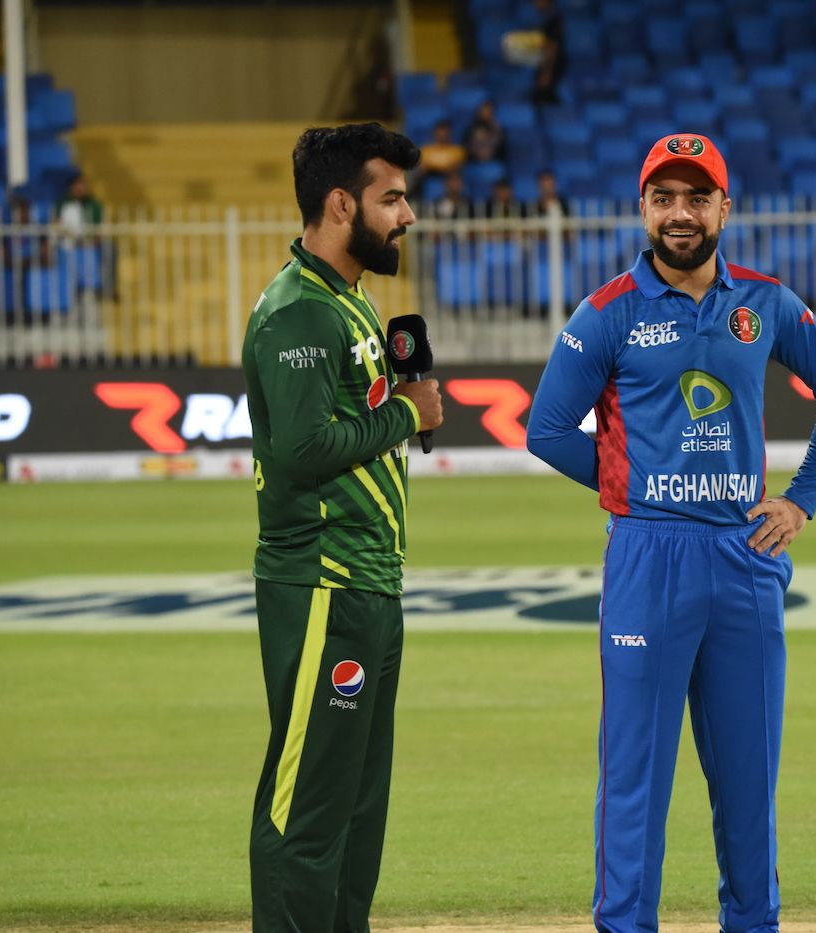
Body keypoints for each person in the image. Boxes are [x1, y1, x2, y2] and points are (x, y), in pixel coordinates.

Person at [526, 133, 816, 933]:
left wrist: (801, 501)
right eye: (665, 197)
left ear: (724, 208)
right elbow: (545, 429)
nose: (681, 213)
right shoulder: (606, 312)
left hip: (746, 556)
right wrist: (631, 489)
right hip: (649, 557)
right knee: (635, 775)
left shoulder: (767, 303)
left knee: (748, 777)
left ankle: (754, 922)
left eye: (697, 196)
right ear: (643, 208)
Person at [242, 122, 443, 933]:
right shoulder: (297, 315)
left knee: (359, 807)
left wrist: (396, 397)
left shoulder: (350, 301)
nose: (408, 216)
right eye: (391, 198)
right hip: (322, 584)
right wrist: (405, 410)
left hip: (368, 585)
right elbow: (300, 454)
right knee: (308, 805)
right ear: (339, 203)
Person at [532, 0, 566, 105]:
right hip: (547, 64)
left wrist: (547, 72)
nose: (536, 3)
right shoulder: (548, 17)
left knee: (544, 96)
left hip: (552, 65)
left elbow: (552, 48)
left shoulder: (553, 18)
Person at [416, 120, 466, 185]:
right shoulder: (425, 150)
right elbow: (422, 170)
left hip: (450, 183)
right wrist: (444, 167)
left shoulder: (458, 151)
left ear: (450, 133)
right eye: (441, 131)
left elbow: (455, 170)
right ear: (435, 132)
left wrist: (433, 167)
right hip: (429, 182)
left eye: (446, 131)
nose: (443, 134)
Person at [462, 98, 507, 164]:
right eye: (485, 110)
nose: (487, 113)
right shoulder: (471, 130)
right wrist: (477, 153)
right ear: (479, 112)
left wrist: (490, 153)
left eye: (490, 111)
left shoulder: (499, 131)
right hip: (474, 162)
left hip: (493, 163)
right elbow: (466, 147)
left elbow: (502, 151)